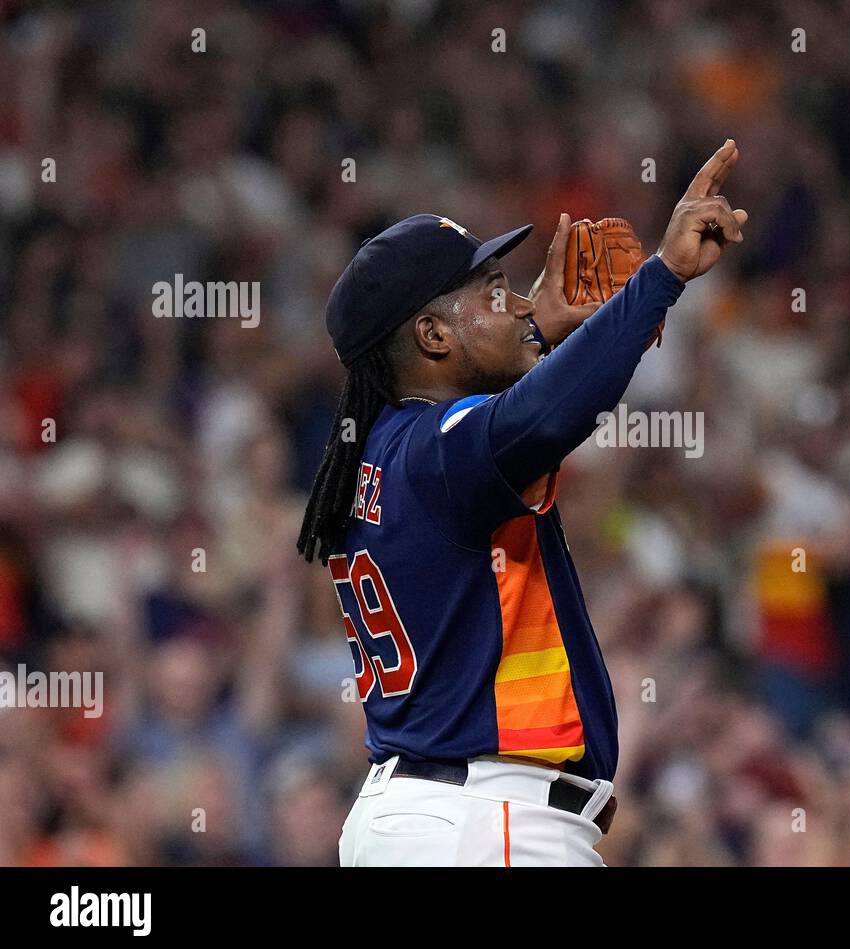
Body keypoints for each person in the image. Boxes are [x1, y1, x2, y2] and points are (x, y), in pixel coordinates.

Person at [297, 141, 747, 865]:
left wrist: (533, 332)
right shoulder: (439, 447)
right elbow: (543, 419)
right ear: (434, 333)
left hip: (422, 818)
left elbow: (510, 420)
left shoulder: (381, 448)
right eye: (492, 288)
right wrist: (659, 280)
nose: (514, 300)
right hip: (488, 821)